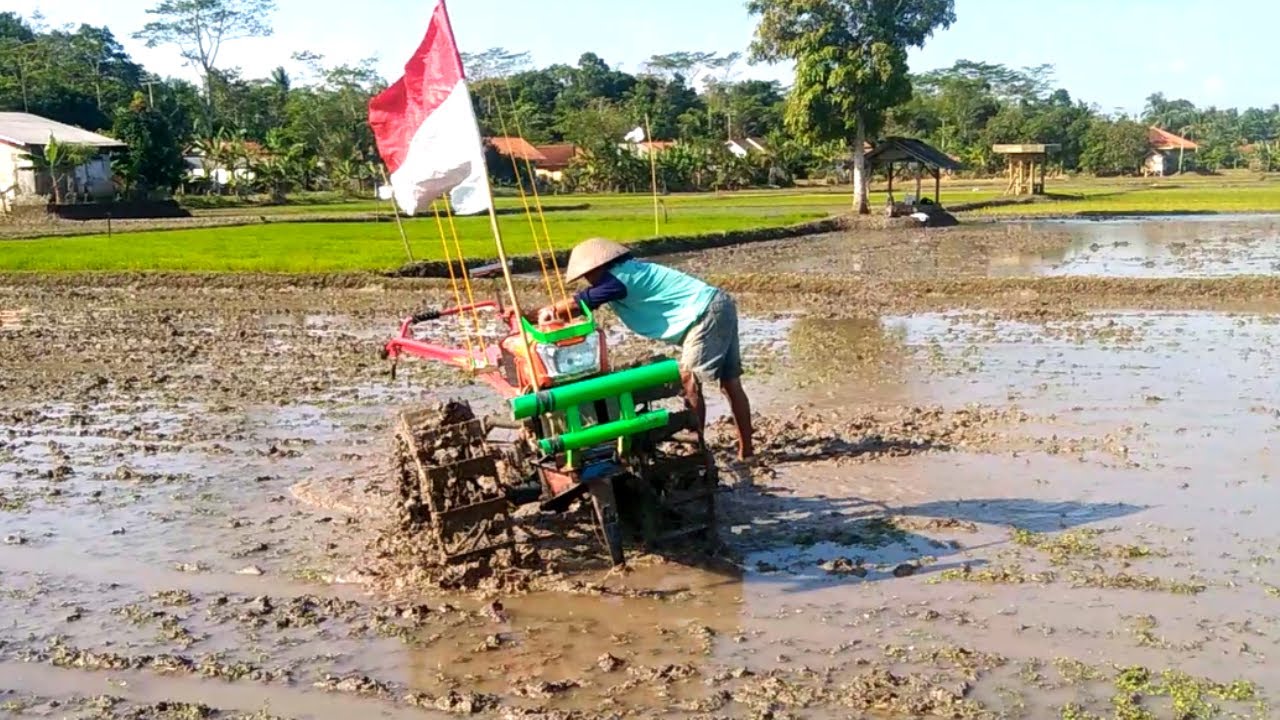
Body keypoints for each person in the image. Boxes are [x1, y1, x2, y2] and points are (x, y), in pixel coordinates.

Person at [537, 238, 754, 461]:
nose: (588, 280)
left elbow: (579, 304)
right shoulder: (629, 271)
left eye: (588, 275)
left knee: (688, 381)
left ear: (598, 267)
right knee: (730, 383)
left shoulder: (619, 279)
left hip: (705, 314)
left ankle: (697, 449)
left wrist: (548, 311)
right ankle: (746, 452)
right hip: (718, 304)